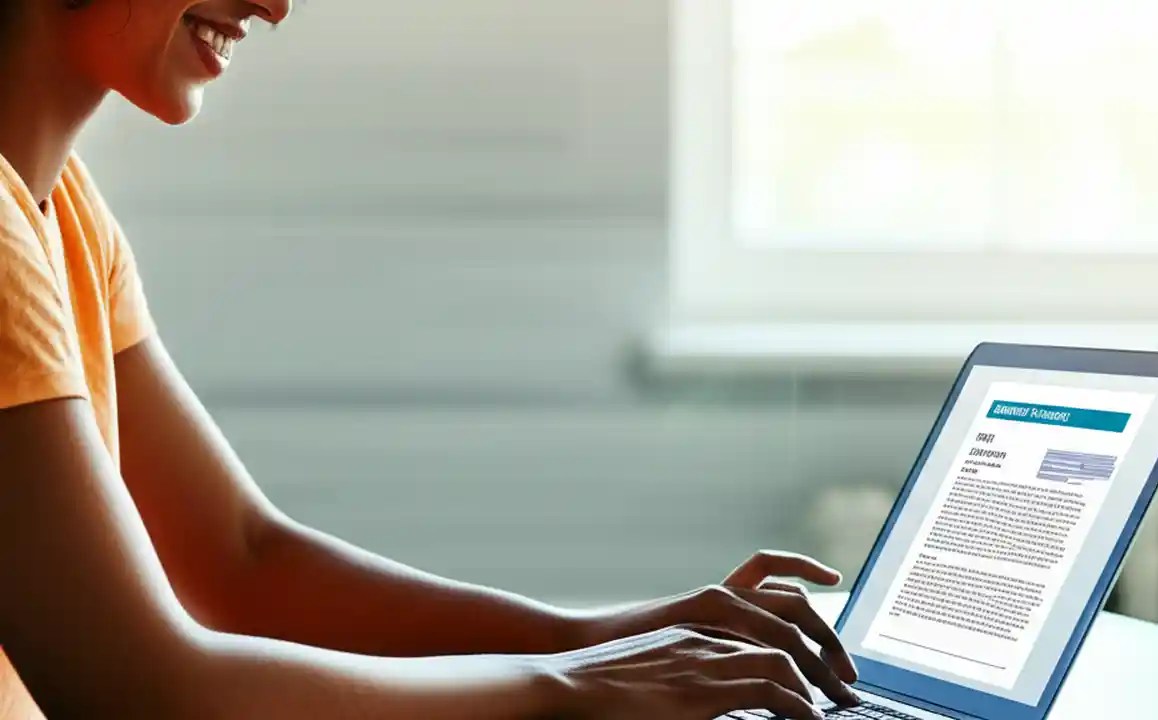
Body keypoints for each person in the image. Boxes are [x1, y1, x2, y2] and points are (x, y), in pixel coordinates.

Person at [0, 2, 862, 718]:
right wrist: (569, 686)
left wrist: (600, 638)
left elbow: (243, 561)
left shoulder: (61, 207)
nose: (273, 3)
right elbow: (143, 692)